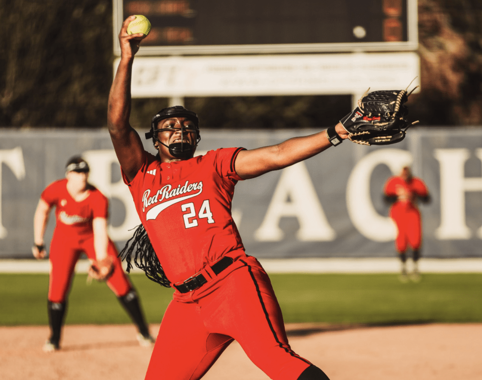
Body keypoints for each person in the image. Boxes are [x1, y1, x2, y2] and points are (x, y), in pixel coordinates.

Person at [105, 16, 354, 380]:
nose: (180, 131)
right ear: (154, 139)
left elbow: (276, 154)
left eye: (187, 127)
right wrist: (127, 57)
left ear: (197, 137)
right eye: (170, 127)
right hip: (185, 304)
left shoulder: (214, 164)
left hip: (232, 283)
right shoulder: (141, 174)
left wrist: (337, 131)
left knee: (278, 361)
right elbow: (116, 124)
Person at [32, 155, 155, 352]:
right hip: (64, 241)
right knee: (57, 289)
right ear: (68, 175)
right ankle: (54, 338)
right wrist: (38, 241)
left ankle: (144, 332)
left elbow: (99, 230)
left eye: (85, 172)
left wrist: (100, 260)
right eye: (77, 172)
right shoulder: (56, 189)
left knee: (121, 284)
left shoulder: (98, 197)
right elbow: (42, 211)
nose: (82, 176)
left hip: (91, 239)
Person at [383, 166, 430, 282]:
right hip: (399, 214)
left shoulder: (416, 183)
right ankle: (403, 268)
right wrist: (397, 197)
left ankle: (415, 267)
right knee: (401, 242)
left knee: (415, 241)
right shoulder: (393, 182)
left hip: (412, 213)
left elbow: (426, 198)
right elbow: (386, 198)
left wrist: (415, 194)